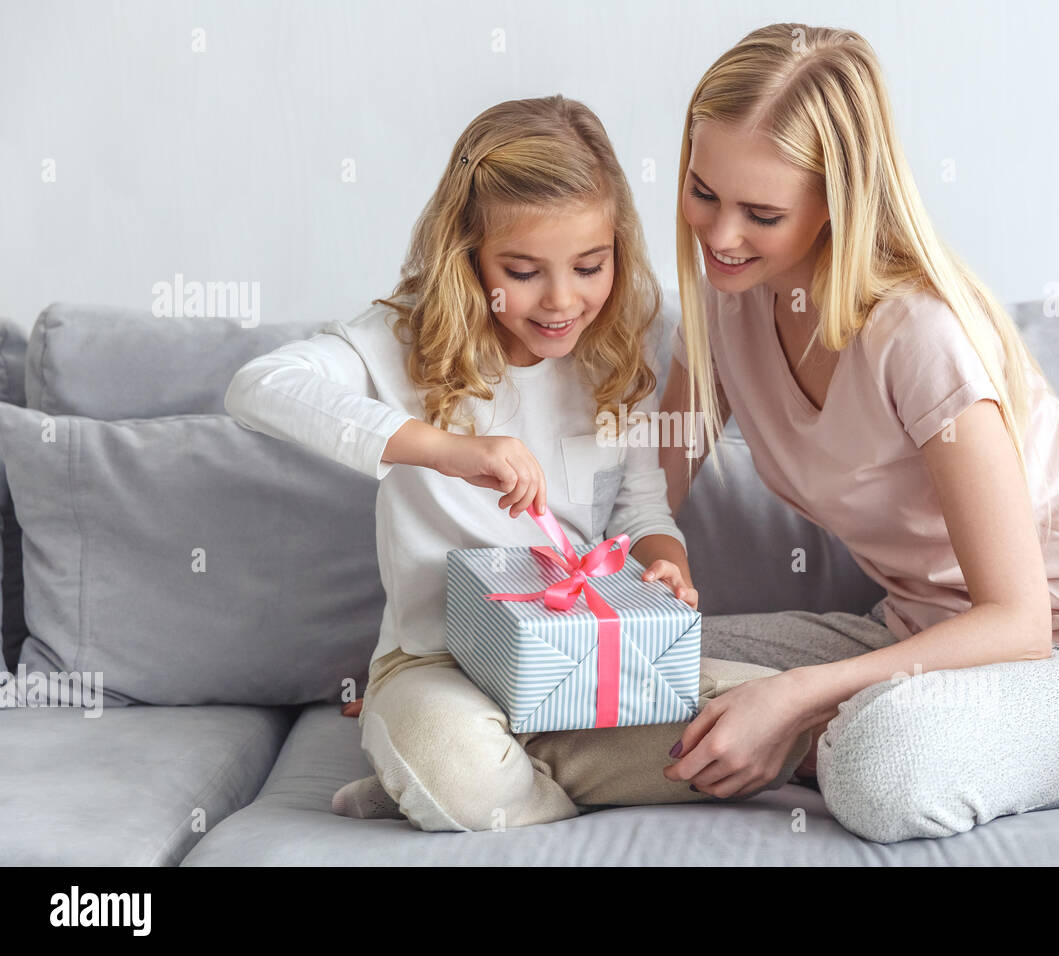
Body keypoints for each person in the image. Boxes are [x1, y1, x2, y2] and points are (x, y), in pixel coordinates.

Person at [657, 23, 1059, 844]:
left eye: (760, 213)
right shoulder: (727, 299)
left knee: (882, 768)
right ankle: (829, 721)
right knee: (643, 679)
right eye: (703, 192)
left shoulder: (917, 334)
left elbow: (1018, 620)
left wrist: (799, 694)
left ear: (836, 204)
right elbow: (636, 496)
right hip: (919, 638)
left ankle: (830, 728)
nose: (719, 236)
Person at [224, 94, 811, 832]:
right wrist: (445, 450)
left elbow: (641, 511)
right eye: (524, 270)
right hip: (439, 667)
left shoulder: (615, 353)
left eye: (591, 266)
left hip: (584, 667)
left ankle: (461, 778)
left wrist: (665, 565)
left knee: (769, 721)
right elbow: (258, 388)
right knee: (455, 751)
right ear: (468, 256)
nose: (563, 300)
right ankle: (455, 765)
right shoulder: (401, 342)